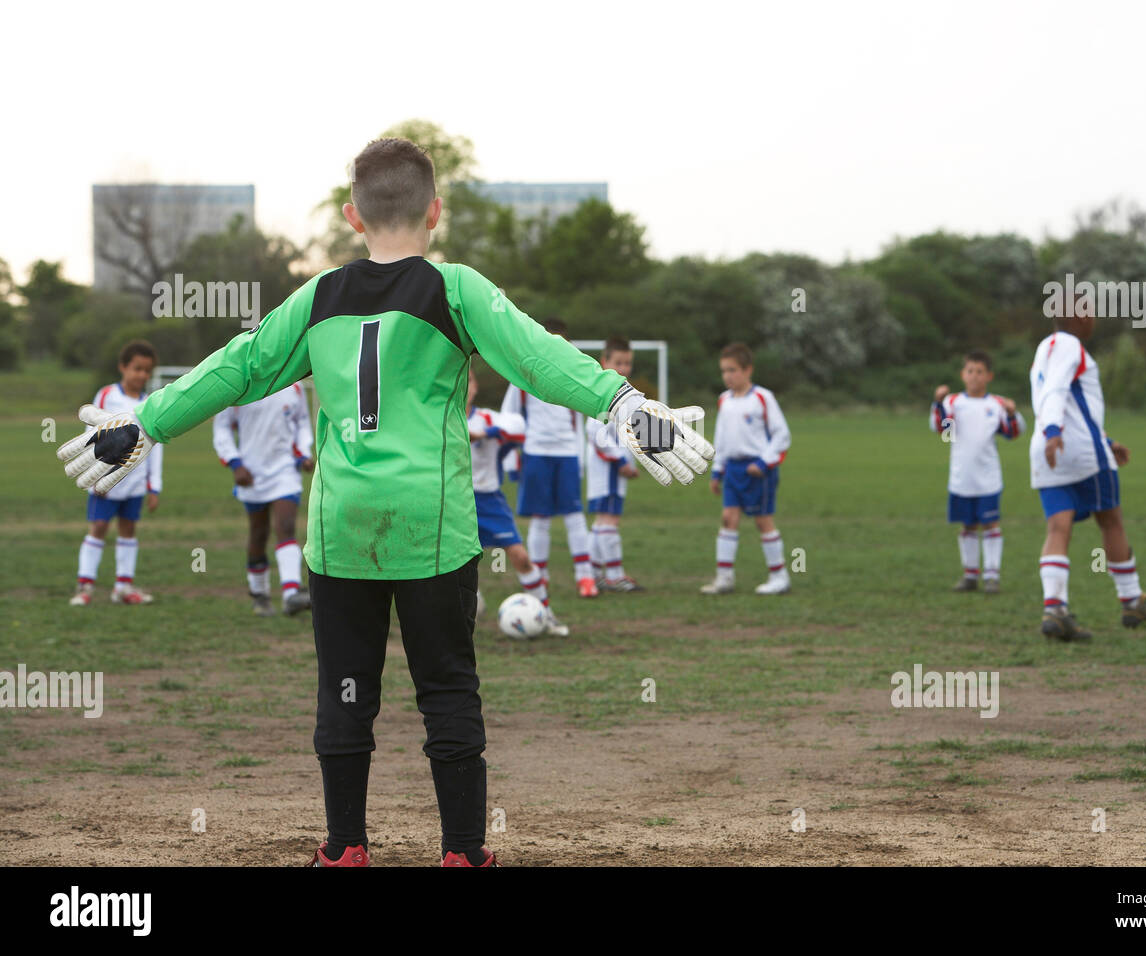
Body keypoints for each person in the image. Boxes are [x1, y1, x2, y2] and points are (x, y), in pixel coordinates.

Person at [56, 137, 712, 868]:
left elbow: (237, 368)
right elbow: (535, 353)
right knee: (447, 691)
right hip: (430, 529)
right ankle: (463, 852)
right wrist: (618, 401)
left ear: (351, 217)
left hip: (341, 531)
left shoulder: (318, 297)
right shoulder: (454, 288)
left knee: (345, 694)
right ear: (436, 211)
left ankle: (344, 847)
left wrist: (147, 421)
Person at [1029, 309, 1146, 640]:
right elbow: (1058, 391)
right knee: (1111, 521)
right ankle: (1132, 600)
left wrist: (1106, 440)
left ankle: (1055, 610)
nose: (1095, 318)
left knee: (1058, 527)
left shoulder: (1044, 349)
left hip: (1047, 449)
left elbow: (1057, 400)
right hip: (1079, 451)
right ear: (1079, 318)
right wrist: (1058, 430)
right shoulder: (1069, 345)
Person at [466, 364, 570, 635]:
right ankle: (465, 610)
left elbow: (518, 427)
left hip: (489, 501)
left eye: (469, 380)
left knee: (520, 557)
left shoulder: (487, 419)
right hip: (454, 502)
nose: (464, 387)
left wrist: (484, 434)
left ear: (475, 387)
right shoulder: (440, 422)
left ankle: (546, 616)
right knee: (458, 565)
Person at [502, 318, 599, 598]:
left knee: (574, 515)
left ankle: (585, 577)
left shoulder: (572, 377)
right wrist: (511, 462)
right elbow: (510, 418)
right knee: (540, 519)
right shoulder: (524, 376)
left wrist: (579, 460)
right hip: (536, 455)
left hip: (567, 454)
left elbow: (577, 421)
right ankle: (539, 577)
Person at [69, 340, 162, 607]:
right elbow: (90, 432)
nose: (141, 375)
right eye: (137, 369)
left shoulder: (151, 403)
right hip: (105, 478)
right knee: (98, 527)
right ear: (123, 367)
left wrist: (154, 486)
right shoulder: (107, 395)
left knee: (128, 530)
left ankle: (123, 587)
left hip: (135, 482)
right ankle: (84, 587)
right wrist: (96, 467)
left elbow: (157, 447)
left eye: (147, 370)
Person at [213, 384, 315, 616]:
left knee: (286, 527)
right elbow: (222, 429)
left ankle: (291, 593)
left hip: (285, 470)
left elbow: (301, 424)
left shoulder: (294, 387)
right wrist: (235, 463)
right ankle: (259, 595)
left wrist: (303, 454)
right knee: (259, 533)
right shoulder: (238, 386)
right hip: (251, 473)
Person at [700, 342, 792, 596]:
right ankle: (724, 578)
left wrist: (764, 462)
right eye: (724, 371)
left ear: (748, 370)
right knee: (728, 518)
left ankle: (779, 576)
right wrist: (717, 471)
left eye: (733, 370)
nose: (728, 375)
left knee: (763, 521)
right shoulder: (724, 401)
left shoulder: (763, 398)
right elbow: (721, 438)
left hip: (758, 470)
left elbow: (782, 435)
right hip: (733, 470)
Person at [930, 350, 1025, 594]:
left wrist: (1013, 413)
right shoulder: (952, 402)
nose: (974, 376)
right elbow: (945, 433)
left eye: (980, 372)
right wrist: (938, 404)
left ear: (989, 376)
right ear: (963, 375)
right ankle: (970, 575)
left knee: (991, 524)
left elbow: (1012, 433)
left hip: (988, 478)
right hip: (962, 476)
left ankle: (992, 575)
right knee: (968, 525)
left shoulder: (997, 404)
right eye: (970, 371)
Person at [585, 336, 642, 591]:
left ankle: (594, 572)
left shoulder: (623, 395)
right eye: (618, 362)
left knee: (601, 522)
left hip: (611, 471)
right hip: (607, 470)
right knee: (610, 520)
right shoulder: (603, 393)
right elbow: (595, 432)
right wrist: (620, 461)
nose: (624, 368)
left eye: (628, 363)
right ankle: (615, 575)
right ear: (604, 362)